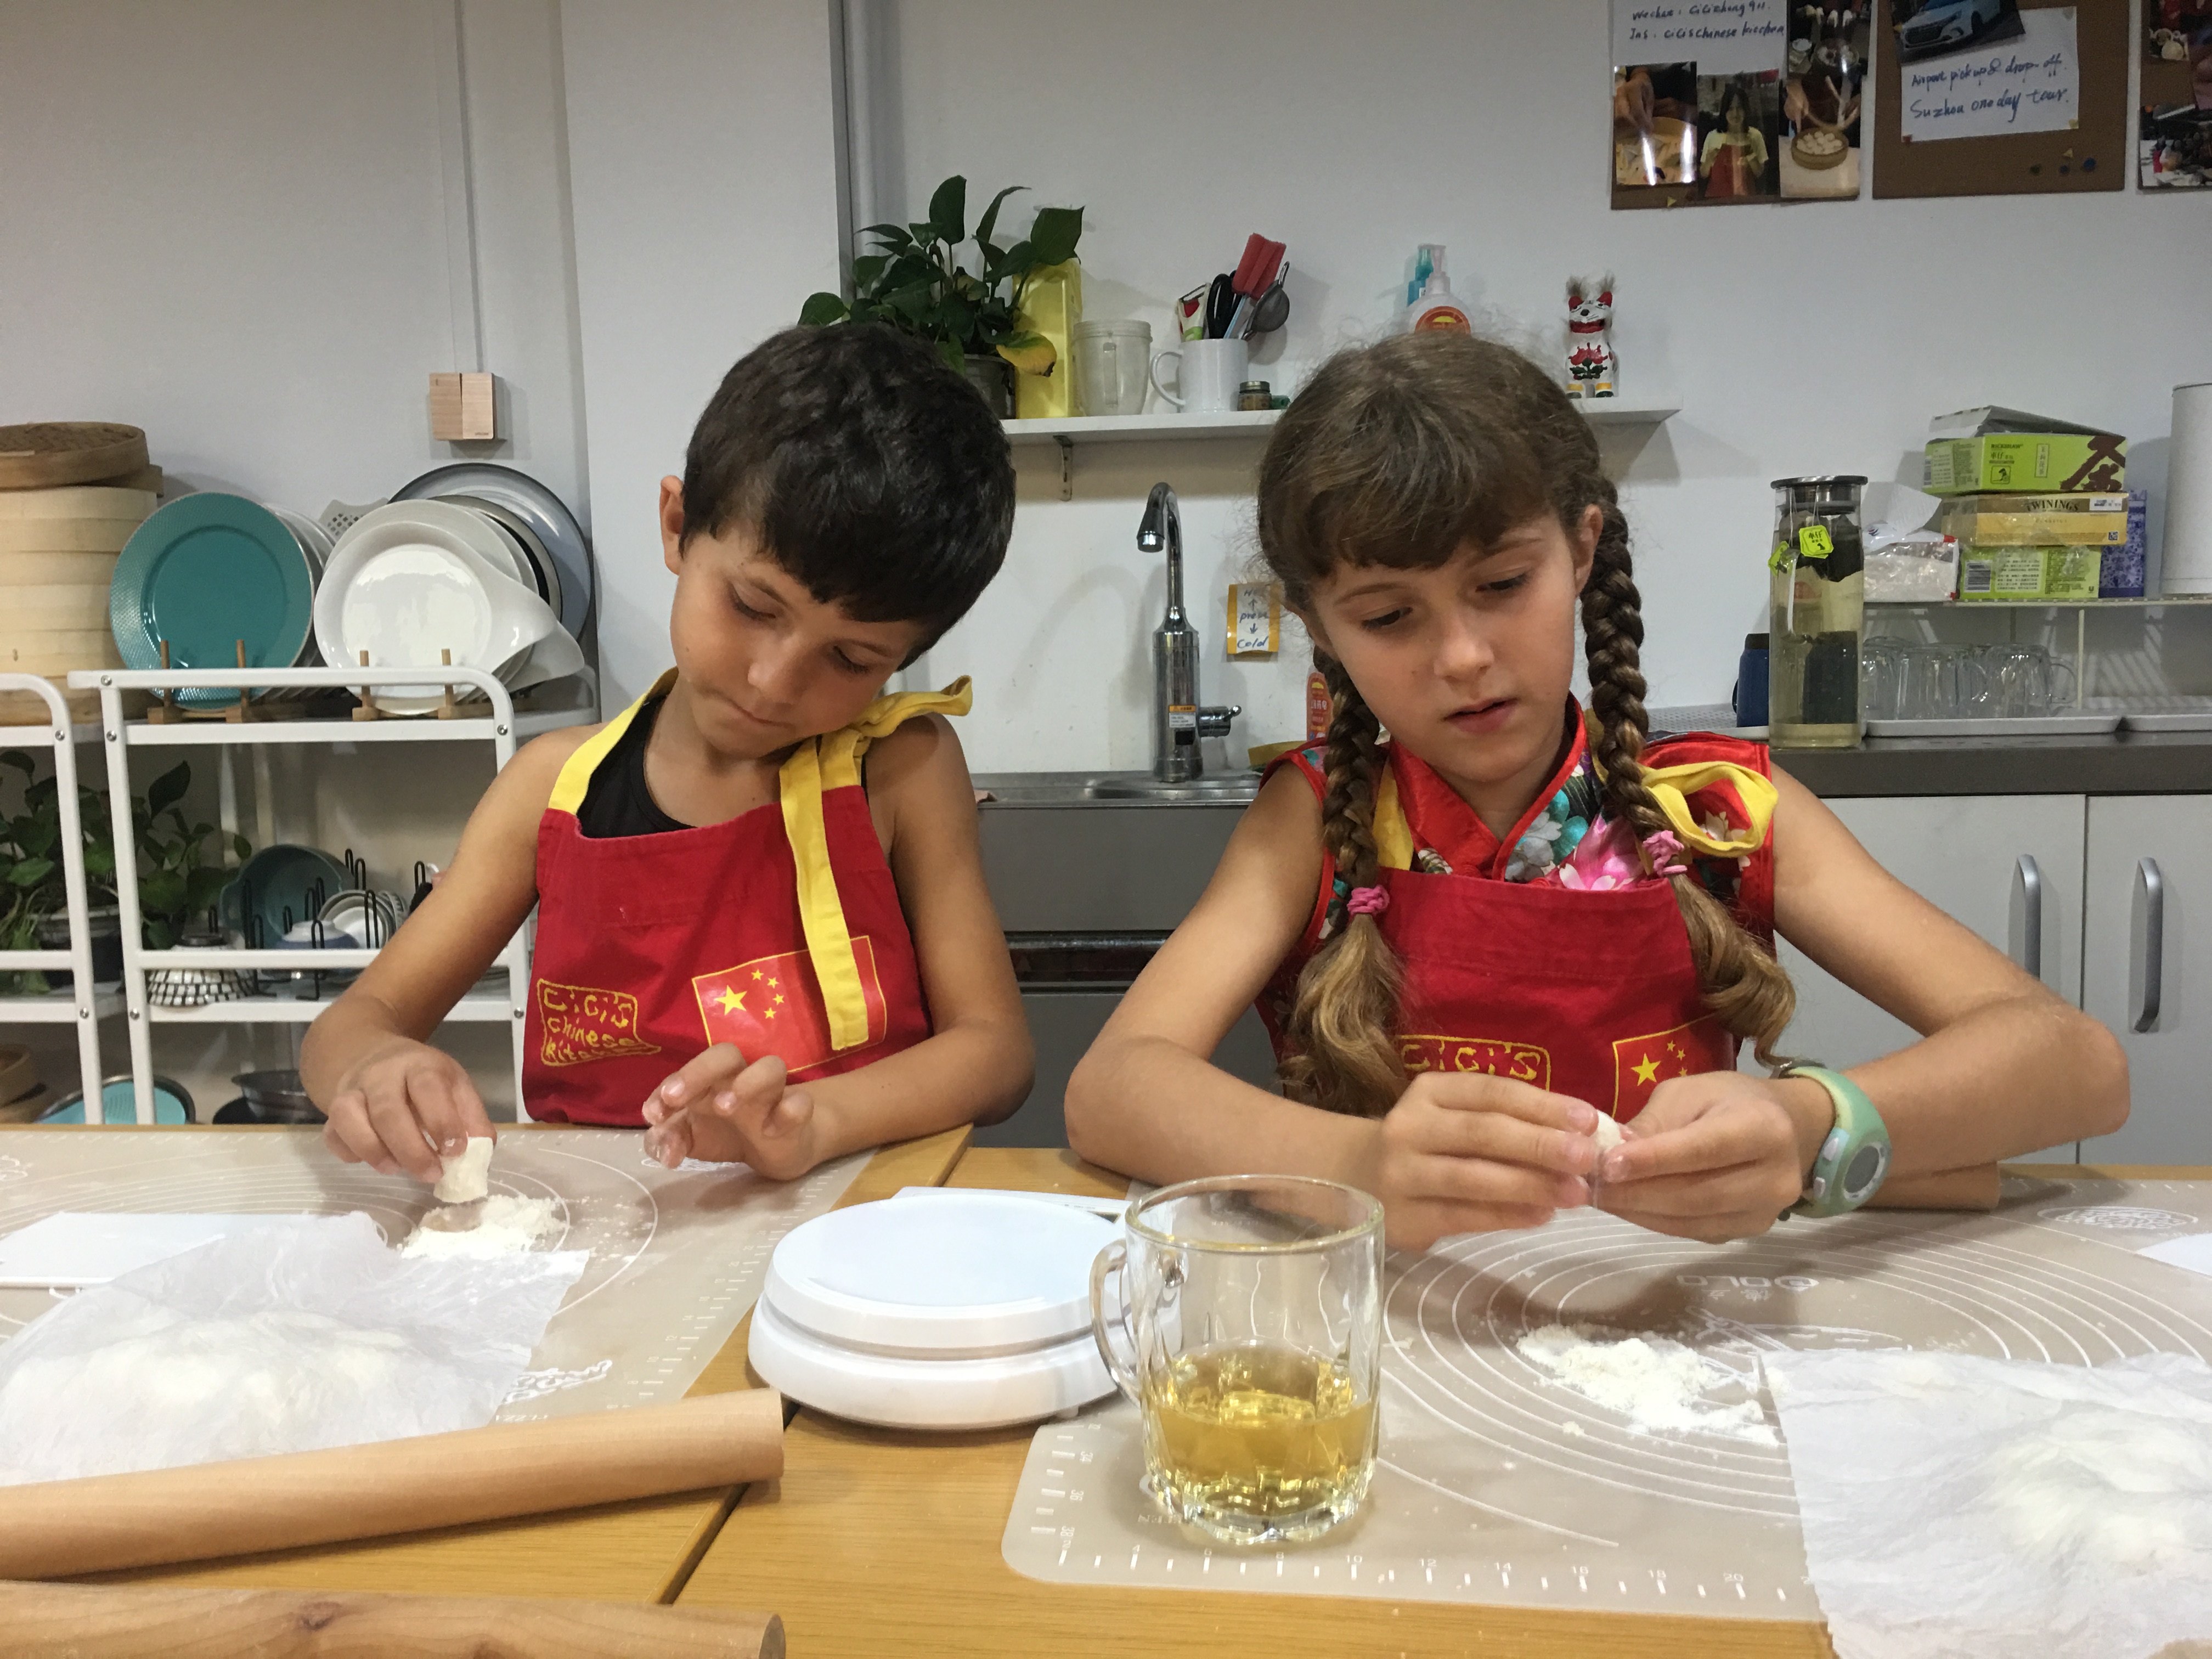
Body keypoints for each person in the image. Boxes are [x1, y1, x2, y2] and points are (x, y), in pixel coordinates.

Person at [1064, 333, 2127, 1251]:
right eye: (1390, 618)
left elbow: (2077, 1066)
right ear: (1319, 625)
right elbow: (1113, 1089)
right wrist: (1365, 1163)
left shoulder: (1715, 809)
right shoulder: (1314, 820)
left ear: (1579, 549)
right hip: (1406, 1343)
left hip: (1684, 1332)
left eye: (1500, 586)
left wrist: (1813, 1122)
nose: (1466, 656)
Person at [301, 324, 1033, 1184]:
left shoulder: (902, 769)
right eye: (755, 605)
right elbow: (352, 1023)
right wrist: (372, 1065)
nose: (772, 681)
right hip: (611, 1239)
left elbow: (996, 1053)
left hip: (858, 1231)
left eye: (849, 660)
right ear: (679, 527)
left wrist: (814, 1121)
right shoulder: (555, 790)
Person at [1702, 81, 1771, 198]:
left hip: (1747, 200)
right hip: (1716, 201)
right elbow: (1703, 174)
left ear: (1746, 110)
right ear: (1724, 111)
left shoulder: (1755, 135)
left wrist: (1750, 155)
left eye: (1739, 108)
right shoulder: (1713, 136)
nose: (1735, 113)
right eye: (1730, 109)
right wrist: (1708, 161)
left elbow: (1760, 174)